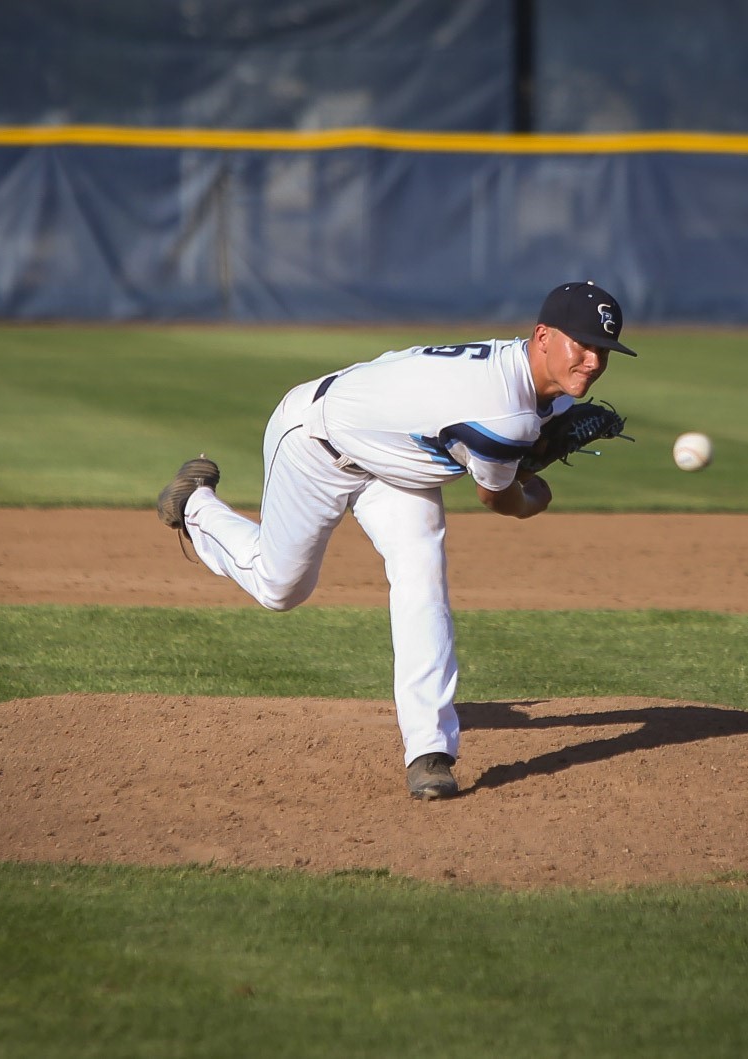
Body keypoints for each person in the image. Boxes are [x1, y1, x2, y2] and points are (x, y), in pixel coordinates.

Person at [157, 281, 637, 799]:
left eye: (603, 350)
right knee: (280, 588)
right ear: (542, 336)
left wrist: (527, 456)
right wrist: (534, 491)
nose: (592, 360)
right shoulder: (503, 413)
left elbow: (521, 435)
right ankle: (196, 506)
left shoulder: (524, 375)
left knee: (421, 573)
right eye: (581, 344)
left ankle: (429, 750)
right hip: (316, 442)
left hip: (394, 461)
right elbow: (500, 499)